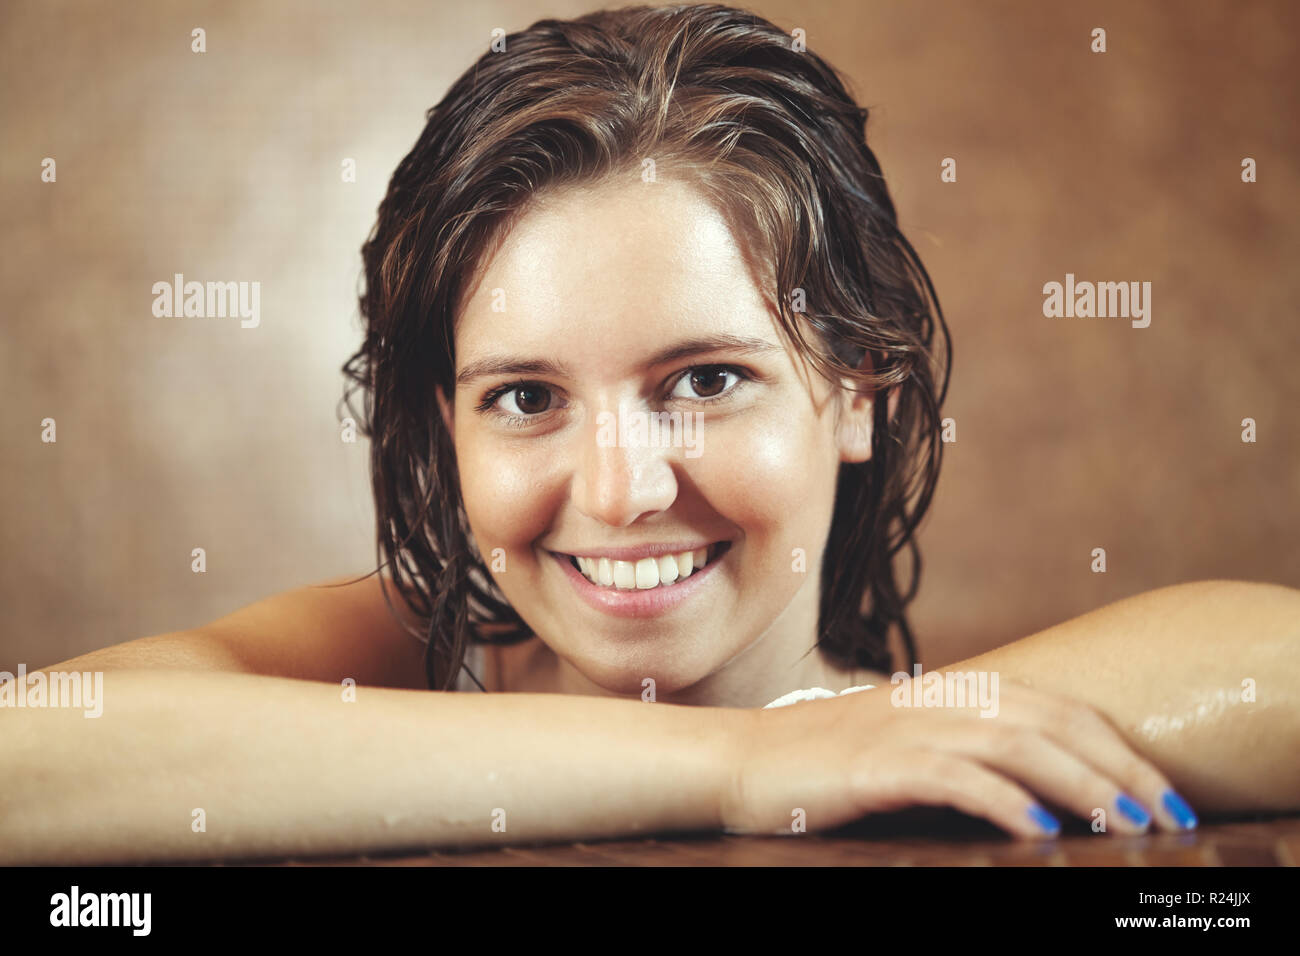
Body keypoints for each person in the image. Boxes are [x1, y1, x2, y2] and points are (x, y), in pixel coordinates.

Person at [4, 3, 1296, 864]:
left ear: (858, 387)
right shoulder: (392, 653)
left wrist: (843, 727)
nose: (620, 492)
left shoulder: (940, 734)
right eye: (525, 398)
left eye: (704, 380)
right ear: (444, 429)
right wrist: (745, 761)